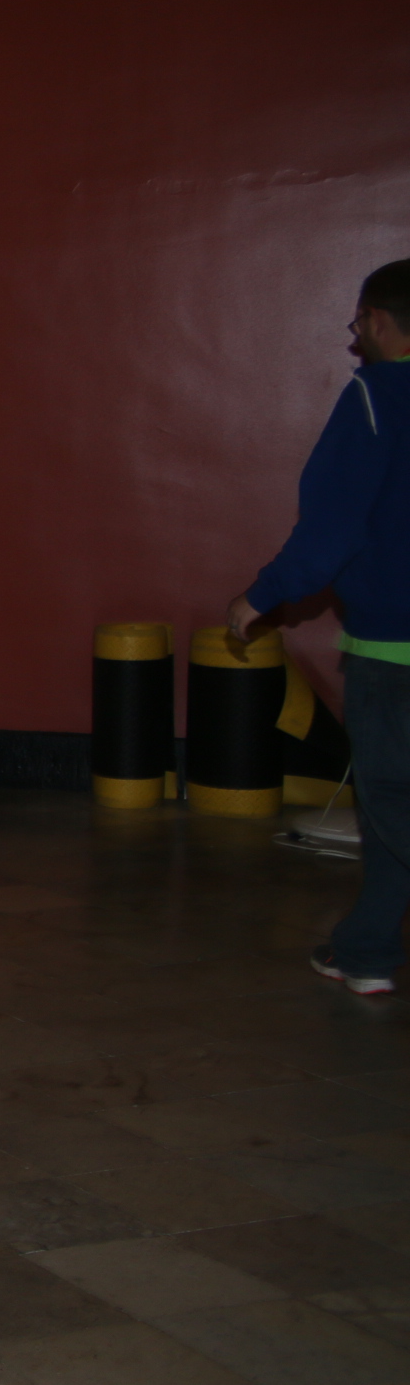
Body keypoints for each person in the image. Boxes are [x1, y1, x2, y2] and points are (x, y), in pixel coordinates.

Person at [229, 258, 410, 996]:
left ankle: (367, 956)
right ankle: (366, 949)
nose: (353, 332)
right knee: (393, 809)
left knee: (394, 802)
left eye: (358, 319)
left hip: (392, 653)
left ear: (377, 320)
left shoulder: (375, 397)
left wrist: (261, 597)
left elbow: (332, 524)